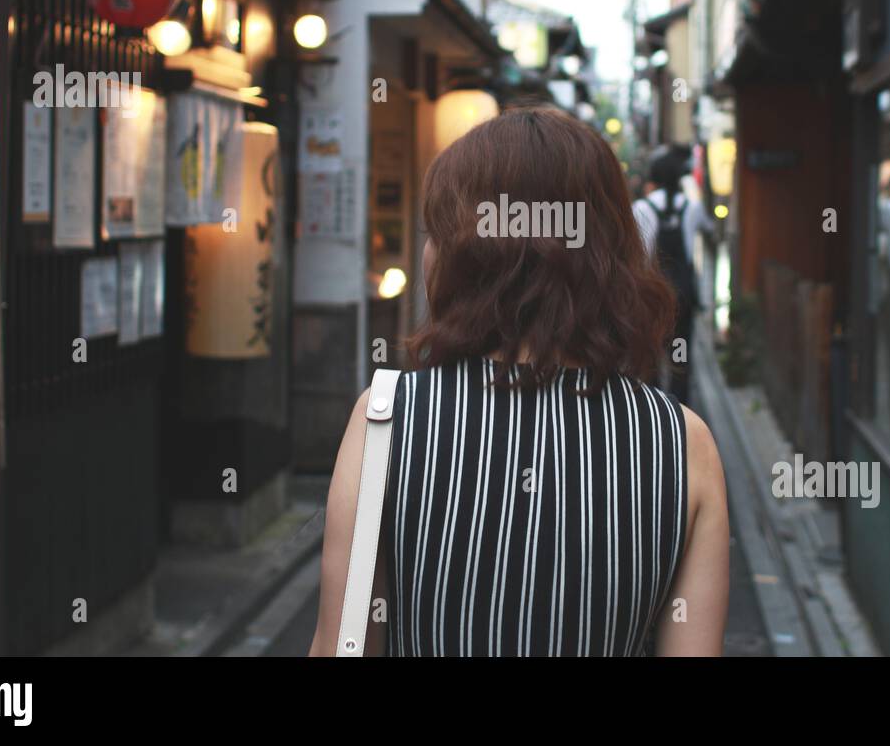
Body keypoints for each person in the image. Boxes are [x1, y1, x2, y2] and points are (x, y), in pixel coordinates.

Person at [310, 106, 730, 656]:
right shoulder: (682, 443)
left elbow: (344, 648)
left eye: (436, 232)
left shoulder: (386, 419)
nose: (427, 252)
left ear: (470, 255)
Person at [632, 147, 718, 405]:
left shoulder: (642, 208)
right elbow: (711, 229)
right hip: (683, 294)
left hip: (651, 295)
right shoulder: (692, 207)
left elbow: (639, 255)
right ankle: (681, 411)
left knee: (651, 355)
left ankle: (653, 408)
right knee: (680, 354)